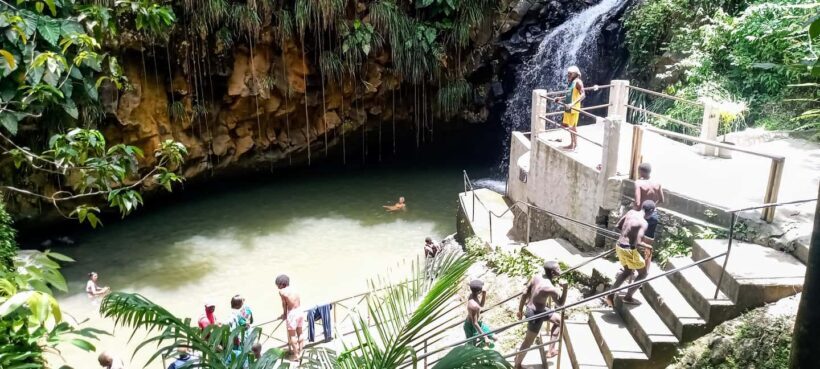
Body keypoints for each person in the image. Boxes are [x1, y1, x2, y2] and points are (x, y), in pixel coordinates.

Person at [514, 261, 568, 368]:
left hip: (537, 309)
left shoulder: (536, 277)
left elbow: (524, 293)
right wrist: (565, 288)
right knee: (528, 341)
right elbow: (560, 304)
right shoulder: (550, 288)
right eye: (558, 269)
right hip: (535, 315)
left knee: (558, 321)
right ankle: (517, 365)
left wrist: (520, 310)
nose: (560, 271)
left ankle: (551, 350)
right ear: (552, 273)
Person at [604, 200, 656, 307]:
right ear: (651, 211)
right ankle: (628, 297)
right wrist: (649, 246)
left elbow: (618, 226)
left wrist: (628, 234)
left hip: (619, 245)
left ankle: (610, 295)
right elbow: (638, 242)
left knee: (627, 271)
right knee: (643, 273)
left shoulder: (631, 212)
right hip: (628, 249)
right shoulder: (644, 223)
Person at [553, 66, 585, 151]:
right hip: (568, 107)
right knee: (569, 127)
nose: (568, 75)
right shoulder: (571, 82)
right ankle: (572, 144)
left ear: (575, 74)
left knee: (573, 127)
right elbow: (569, 95)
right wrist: (560, 98)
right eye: (568, 73)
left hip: (573, 108)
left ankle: (576, 145)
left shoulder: (578, 82)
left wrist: (572, 104)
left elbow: (583, 95)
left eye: (570, 74)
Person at [276, 274, 304, 361]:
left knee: (292, 335)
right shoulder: (295, 288)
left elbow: (284, 304)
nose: (277, 287)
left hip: (292, 314)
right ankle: (301, 352)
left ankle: (296, 355)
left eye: (278, 284)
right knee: (300, 333)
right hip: (300, 311)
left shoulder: (282, 292)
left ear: (282, 284)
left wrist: (284, 314)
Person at [634, 162, 664, 239]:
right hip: (653, 214)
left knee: (635, 239)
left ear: (640, 171)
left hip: (641, 215)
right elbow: (661, 200)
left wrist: (634, 214)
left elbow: (637, 203)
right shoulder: (657, 183)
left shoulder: (639, 183)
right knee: (648, 240)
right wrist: (652, 207)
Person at [463, 279, 496, 348]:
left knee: (495, 338)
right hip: (471, 327)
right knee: (472, 346)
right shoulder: (473, 306)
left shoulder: (473, 295)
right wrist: (485, 337)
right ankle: (476, 350)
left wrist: (484, 294)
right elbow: (474, 323)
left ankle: (479, 347)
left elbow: (481, 305)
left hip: (478, 323)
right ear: (479, 291)